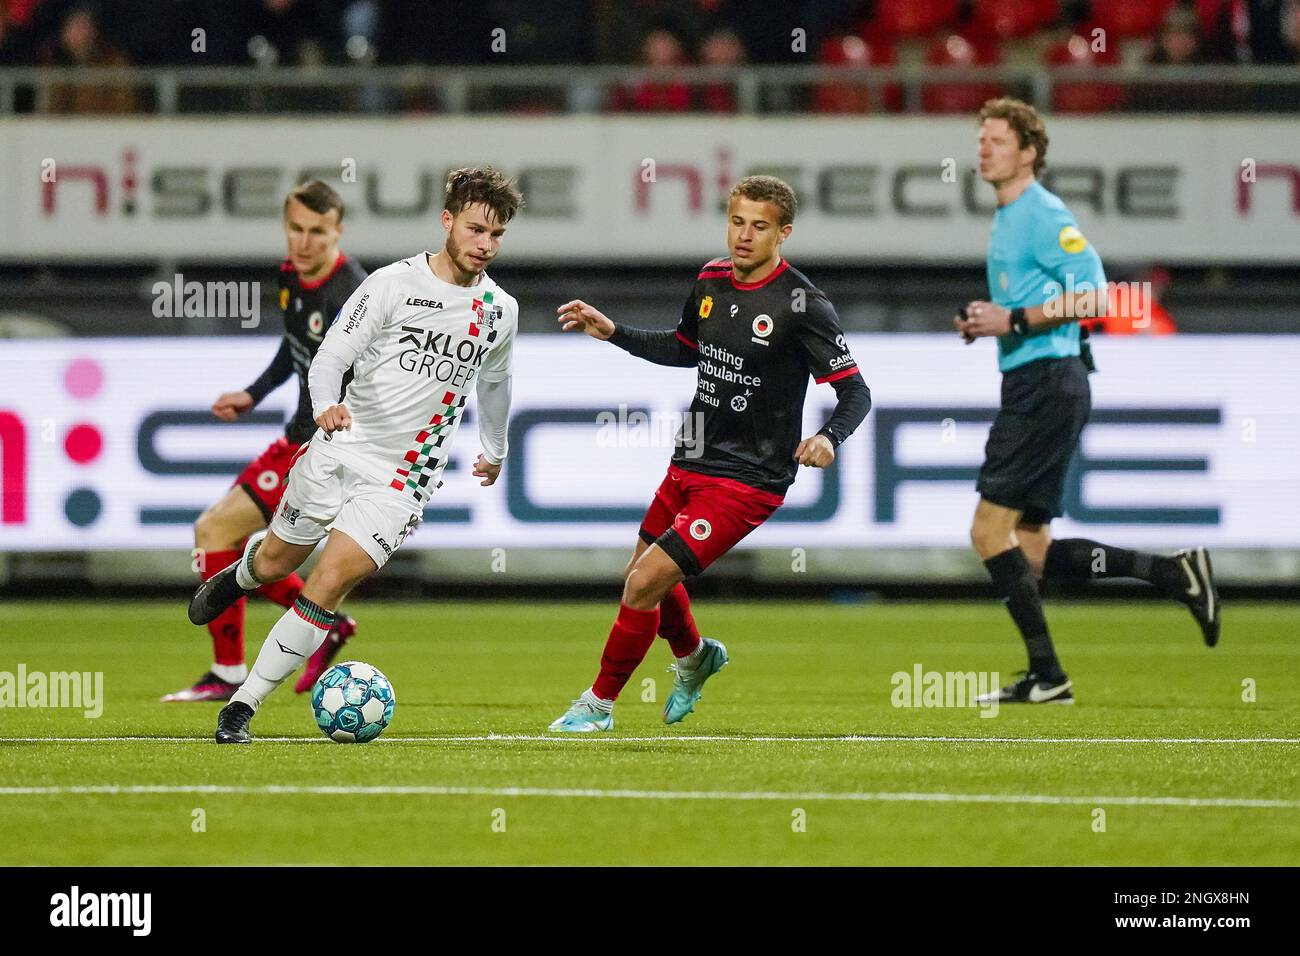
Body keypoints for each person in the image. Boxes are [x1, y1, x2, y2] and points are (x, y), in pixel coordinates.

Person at [188, 167, 523, 743]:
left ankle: (241, 705)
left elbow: (496, 384)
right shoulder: (390, 284)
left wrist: (495, 449)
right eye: (475, 230)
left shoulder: (499, 311)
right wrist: (323, 406)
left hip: (402, 478)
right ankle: (243, 572)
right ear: (447, 222)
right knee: (276, 563)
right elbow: (327, 359)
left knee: (329, 579)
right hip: (339, 449)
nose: (484, 245)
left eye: (495, 236)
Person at [548, 175, 871, 732]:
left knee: (641, 584)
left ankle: (597, 706)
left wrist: (827, 438)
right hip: (691, 455)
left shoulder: (803, 304)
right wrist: (613, 332)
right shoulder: (711, 278)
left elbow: (855, 391)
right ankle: (696, 657)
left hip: (750, 478)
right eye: (737, 222)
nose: (744, 236)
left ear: (783, 233)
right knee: (647, 576)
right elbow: (685, 350)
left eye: (760, 226)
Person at [955, 98, 1220, 706]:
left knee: (987, 531)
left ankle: (1048, 675)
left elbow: (1100, 295)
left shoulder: (1042, 214)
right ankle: (1173, 572)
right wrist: (990, 322)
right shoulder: (1009, 217)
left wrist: (1015, 318)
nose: (984, 148)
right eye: (982, 139)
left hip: (1045, 383)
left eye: (997, 139)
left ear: (1028, 153)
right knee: (1034, 547)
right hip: (1045, 379)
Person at [163, 180, 365, 703]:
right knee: (233, 542)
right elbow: (293, 346)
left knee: (215, 531)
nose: (304, 241)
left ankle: (229, 672)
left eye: (317, 231)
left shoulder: (350, 295)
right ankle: (328, 624)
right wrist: (252, 395)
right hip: (296, 436)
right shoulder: (290, 276)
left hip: (324, 445)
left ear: (338, 231)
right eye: (296, 228)